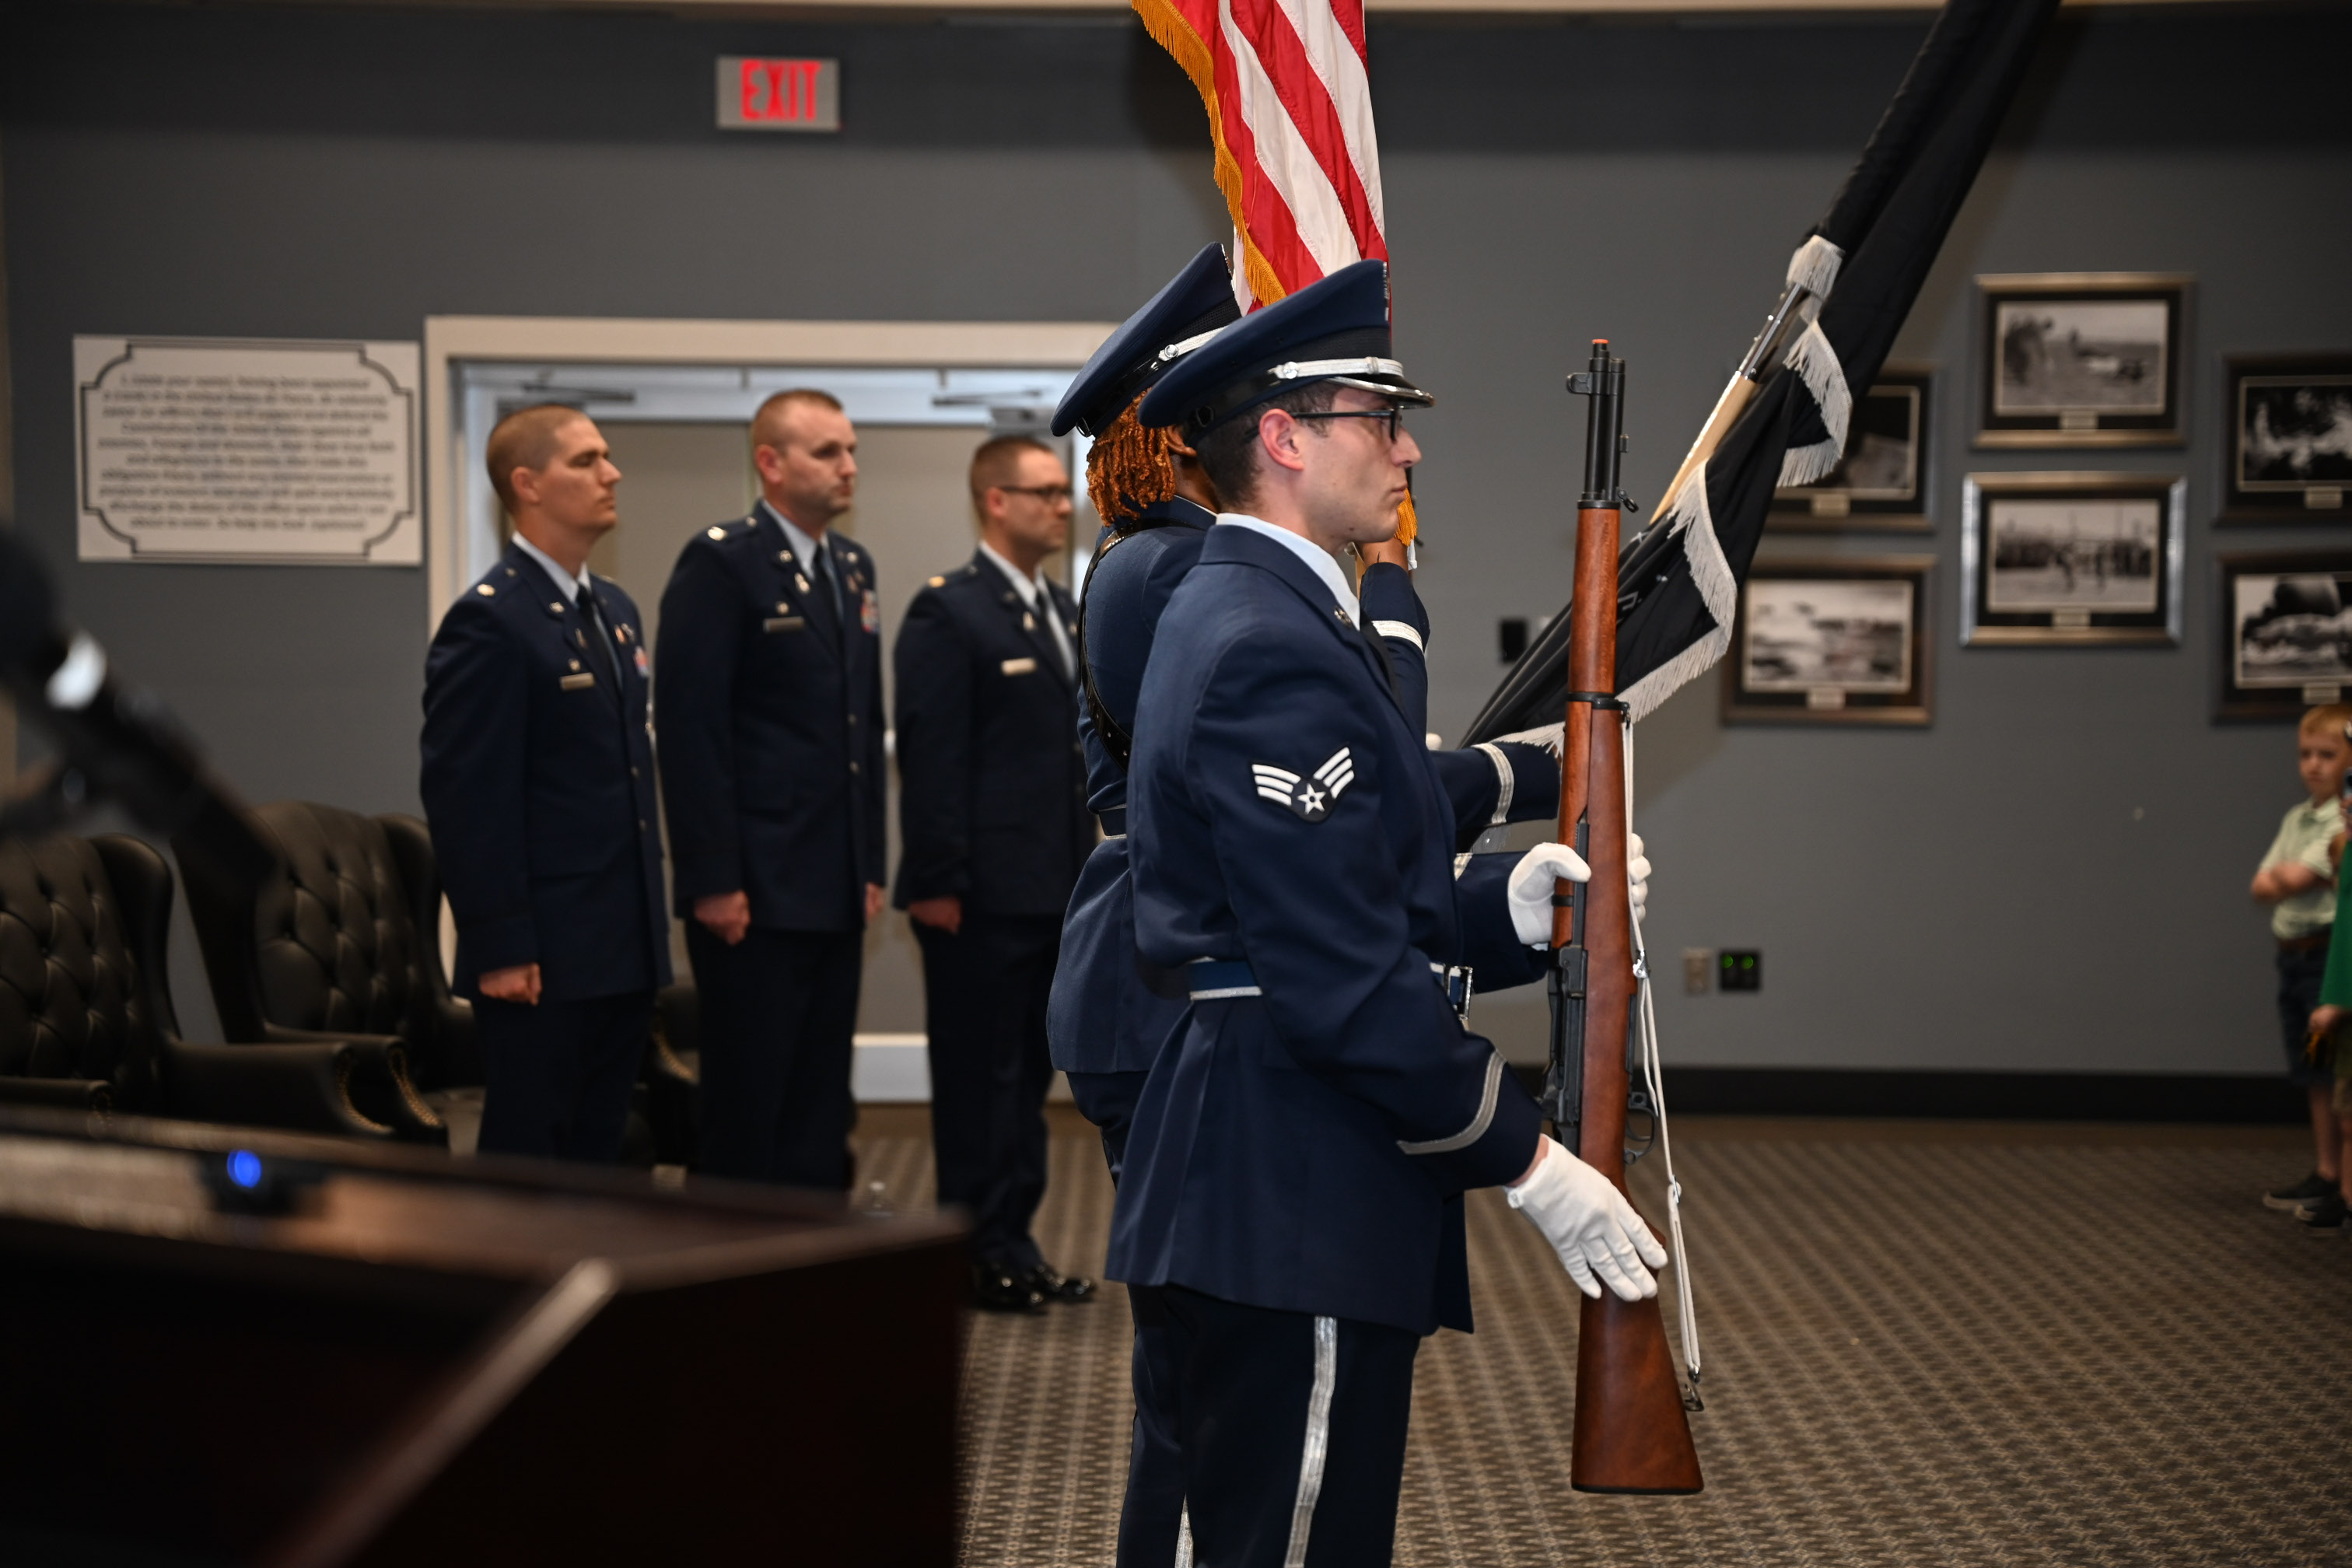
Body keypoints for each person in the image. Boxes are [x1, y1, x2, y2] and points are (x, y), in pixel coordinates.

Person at [1109, 260, 1664, 1566]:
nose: (1405, 446)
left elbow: (1335, 883)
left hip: (1260, 1152)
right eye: (1377, 415)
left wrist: (1495, 911)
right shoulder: (1267, 639)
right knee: (1290, 1538)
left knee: (1228, 1531)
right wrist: (1528, 1166)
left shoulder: (1269, 613)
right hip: (1290, 1172)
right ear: (1287, 439)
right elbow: (1335, 978)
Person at [421, 404, 669, 1162]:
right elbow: (468, 794)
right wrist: (499, 944)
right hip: (543, 950)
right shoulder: (491, 622)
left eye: (607, 457)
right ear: (527, 484)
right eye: (587, 460)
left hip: (618, 938)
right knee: (533, 1152)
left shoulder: (613, 611)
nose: (611, 473)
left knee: (604, 1147)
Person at [655, 390, 887, 1190]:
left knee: (821, 1096)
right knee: (750, 1097)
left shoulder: (851, 567)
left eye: (851, 450)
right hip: (752, 885)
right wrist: (713, 877)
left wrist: (869, 863)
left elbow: (862, 732)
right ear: (770, 463)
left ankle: (809, 1271)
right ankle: (731, 1281)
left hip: (830, 878)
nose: (848, 466)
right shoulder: (723, 562)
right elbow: (691, 731)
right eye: (828, 452)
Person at [894, 433, 1098, 1311]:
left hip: (1050, 890)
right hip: (975, 897)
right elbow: (934, 760)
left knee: (1025, 1082)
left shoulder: (1059, 607)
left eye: (1065, 494)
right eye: (1044, 493)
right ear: (995, 502)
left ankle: (1014, 1237)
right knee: (980, 1086)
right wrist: (936, 880)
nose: (1063, 507)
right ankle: (973, 1249)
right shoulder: (950, 611)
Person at [2252, 703, 2350, 1214]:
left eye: (2327, 755)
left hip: (2326, 958)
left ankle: (2343, 1182)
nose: (2313, 765)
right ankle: (2327, 1169)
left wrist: (2284, 880)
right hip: (2291, 958)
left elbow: (2289, 880)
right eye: (2305, 755)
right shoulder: (2298, 818)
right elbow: (2262, 882)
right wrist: (2280, 880)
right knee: (2312, 1070)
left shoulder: (2342, 820)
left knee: (2338, 1073)